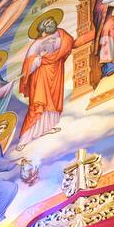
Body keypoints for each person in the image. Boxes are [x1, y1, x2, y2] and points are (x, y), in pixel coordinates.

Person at [17, 12, 74, 144]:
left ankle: (48, 127)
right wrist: (39, 59)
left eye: (51, 21)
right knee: (39, 102)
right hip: (41, 74)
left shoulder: (62, 34)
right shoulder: (38, 42)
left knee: (53, 101)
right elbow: (28, 61)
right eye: (47, 23)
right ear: (43, 28)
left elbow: (69, 42)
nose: (50, 24)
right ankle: (26, 137)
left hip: (56, 71)